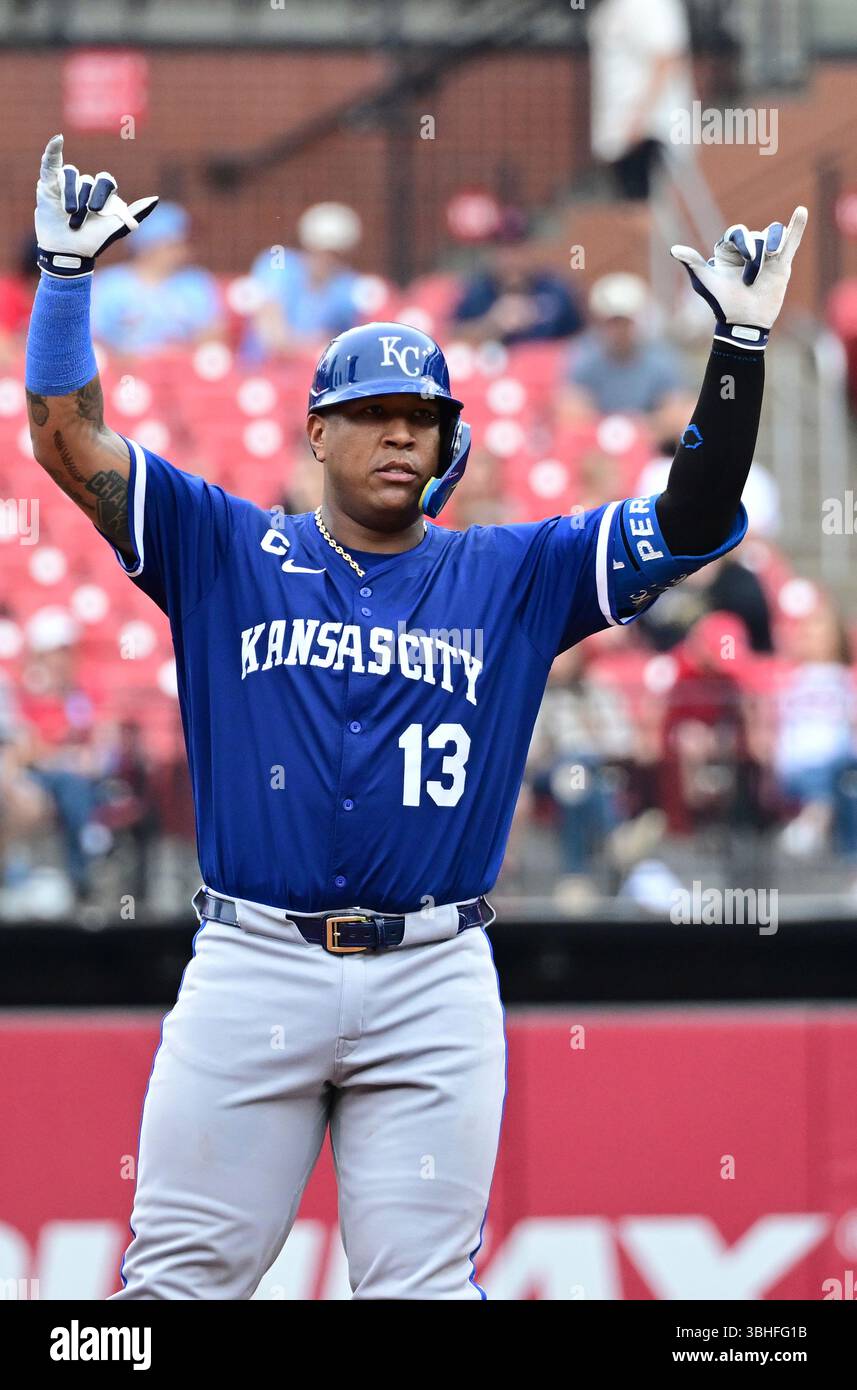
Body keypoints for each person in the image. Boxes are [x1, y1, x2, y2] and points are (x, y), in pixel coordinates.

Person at [25, 134, 806, 1300]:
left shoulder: (513, 572)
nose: (399, 433)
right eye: (372, 412)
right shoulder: (223, 546)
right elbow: (68, 441)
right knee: (174, 1291)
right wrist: (64, 283)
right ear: (316, 432)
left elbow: (691, 520)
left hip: (432, 974)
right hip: (252, 959)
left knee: (422, 1293)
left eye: (421, 416)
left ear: (449, 440)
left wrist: (735, 350)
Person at [587, 0, 696, 201]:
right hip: (623, 132)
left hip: (647, 132)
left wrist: (640, 118)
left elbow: (667, 58)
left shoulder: (650, 5)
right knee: (629, 204)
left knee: (642, 205)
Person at [561, 273, 691, 434]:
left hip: (650, 442)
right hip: (597, 443)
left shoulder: (661, 358)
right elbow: (571, 413)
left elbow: (676, 412)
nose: (618, 330)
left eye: (624, 322)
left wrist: (637, 429)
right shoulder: (582, 355)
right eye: (612, 322)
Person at [91, 201, 224, 355]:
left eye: (184, 243)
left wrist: (177, 357)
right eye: (173, 245)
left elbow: (214, 335)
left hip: (182, 366)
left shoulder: (196, 282)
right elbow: (91, 338)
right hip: (123, 368)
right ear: (147, 246)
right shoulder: (109, 284)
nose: (182, 250)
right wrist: (130, 360)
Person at [245, 201, 364, 358]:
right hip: (262, 367)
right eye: (319, 250)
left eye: (335, 254)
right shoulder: (278, 264)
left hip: (315, 370)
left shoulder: (347, 286)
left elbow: (346, 345)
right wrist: (308, 346)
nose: (326, 259)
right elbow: (272, 335)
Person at [451, 208, 584, 346]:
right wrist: (492, 324)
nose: (511, 259)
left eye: (517, 248)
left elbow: (582, 338)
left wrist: (535, 315)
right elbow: (453, 336)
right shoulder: (478, 291)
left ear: (530, 249)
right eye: (504, 249)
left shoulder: (555, 289)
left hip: (546, 357)